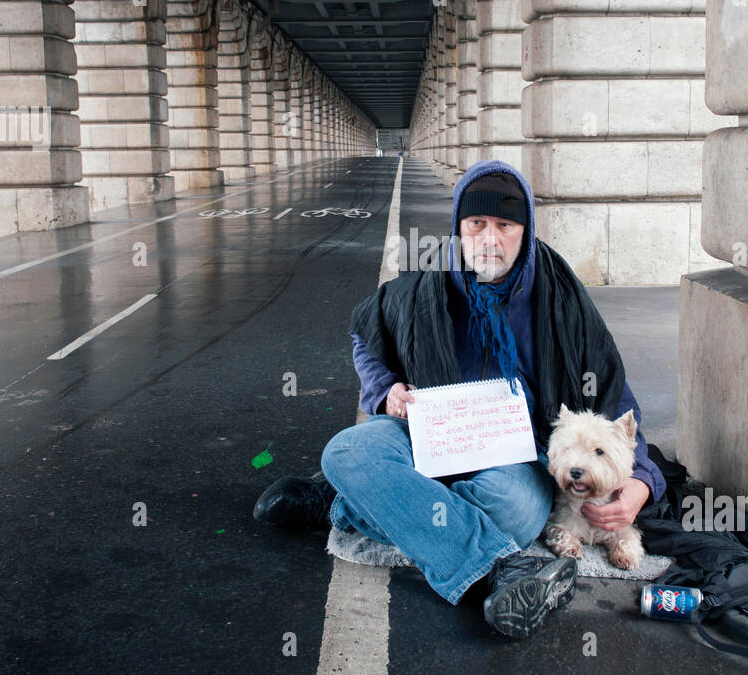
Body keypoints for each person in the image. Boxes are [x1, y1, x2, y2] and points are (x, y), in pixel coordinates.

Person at [254, 160, 664, 638]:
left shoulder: (563, 299)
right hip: (429, 434)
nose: (490, 238)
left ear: (525, 230)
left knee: (518, 512)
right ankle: (500, 567)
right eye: (477, 224)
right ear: (460, 229)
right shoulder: (428, 287)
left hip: (514, 455)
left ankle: (348, 504)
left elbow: (614, 400)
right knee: (345, 450)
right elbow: (366, 333)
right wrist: (388, 390)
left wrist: (641, 486)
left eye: (505, 225)